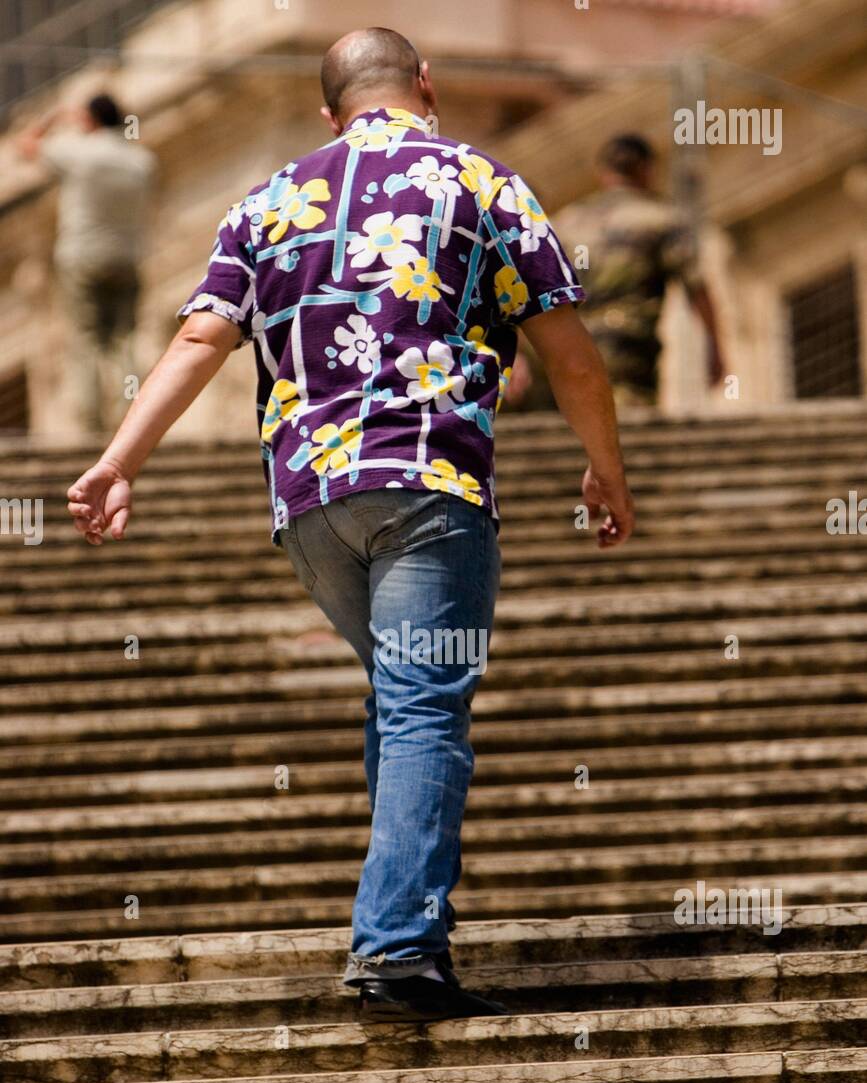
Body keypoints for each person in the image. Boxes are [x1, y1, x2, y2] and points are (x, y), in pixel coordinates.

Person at [66, 28, 634, 1022]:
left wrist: (119, 460)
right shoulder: (483, 182)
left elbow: (201, 335)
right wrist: (606, 470)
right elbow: (573, 357)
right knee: (425, 709)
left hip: (312, 502)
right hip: (428, 482)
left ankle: (400, 924)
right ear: (427, 85)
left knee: (398, 693)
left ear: (330, 113)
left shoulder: (272, 198)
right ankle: (397, 946)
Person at [17, 94, 157, 433]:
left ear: (89, 120)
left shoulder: (77, 152)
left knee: (86, 340)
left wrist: (54, 114)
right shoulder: (141, 161)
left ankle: (91, 422)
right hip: (127, 257)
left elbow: (25, 145)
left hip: (81, 256)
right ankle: (129, 409)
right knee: (124, 338)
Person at [555, 133, 726, 408]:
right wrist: (715, 347)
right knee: (630, 423)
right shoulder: (661, 220)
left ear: (603, 172)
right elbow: (695, 288)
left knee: (585, 417)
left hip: (578, 343)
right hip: (632, 344)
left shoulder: (568, 222)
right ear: (646, 170)